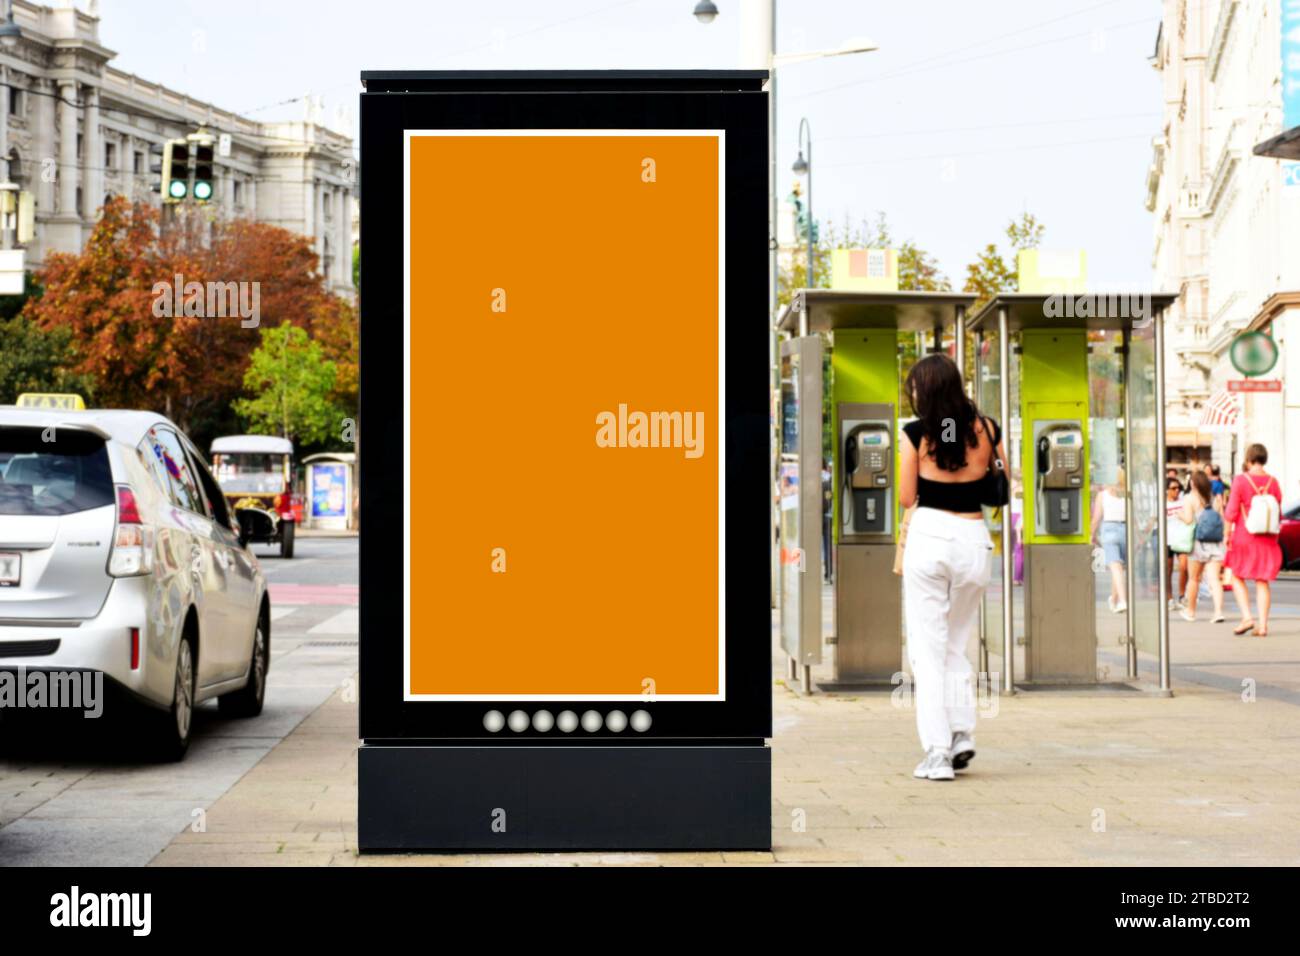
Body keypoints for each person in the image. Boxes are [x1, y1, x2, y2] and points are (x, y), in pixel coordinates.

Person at [898, 353, 1004, 782]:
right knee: (957, 644)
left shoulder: (916, 434)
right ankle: (962, 732)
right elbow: (998, 479)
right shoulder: (985, 428)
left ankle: (938, 751)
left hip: (930, 538)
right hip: (974, 540)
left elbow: (908, 497)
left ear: (924, 389)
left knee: (927, 650)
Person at [1224, 443, 1283, 637]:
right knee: (1262, 580)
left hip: (1245, 535)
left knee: (1237, 576)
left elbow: (1231, 510)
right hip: (1267, 538)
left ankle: (1247, 617)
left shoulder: (1241, 480)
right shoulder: (1273, 482)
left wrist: (1226, 534)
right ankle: (1263, 626)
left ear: (1249, 460)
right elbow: (1278, 511)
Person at [1179, 470, 1225, 623]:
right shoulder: (1215, 498)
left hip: (1199, 543)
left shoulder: (1189, 498)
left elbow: (1188, 520)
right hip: (1216, 544)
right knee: (1214, 580)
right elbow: (1221, 520)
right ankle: (1218, 612)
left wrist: (1178, 515)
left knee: (1194, 579)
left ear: (1193, 483)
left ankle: (1191, 612)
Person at [1091, 468, 1127, 613]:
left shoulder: (1103, 495)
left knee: (1115, 567)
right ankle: (1114, 599)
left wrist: (1091, 535)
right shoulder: (1126, 494)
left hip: (1109, 529)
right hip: (1124, 529)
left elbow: (1096, 518)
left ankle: (1123, 601)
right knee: (1118, 568)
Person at [1165, 476, 1190, 610]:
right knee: (1168, 570)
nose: (1176, 490)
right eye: (1173, 488)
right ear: (1166, 490)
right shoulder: (1162, 503)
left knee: (1184, 567)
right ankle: (1169, 598)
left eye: (1178, 488)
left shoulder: (1183, 502)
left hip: (1181, 539)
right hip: (1168, 540)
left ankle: (1182, 596)